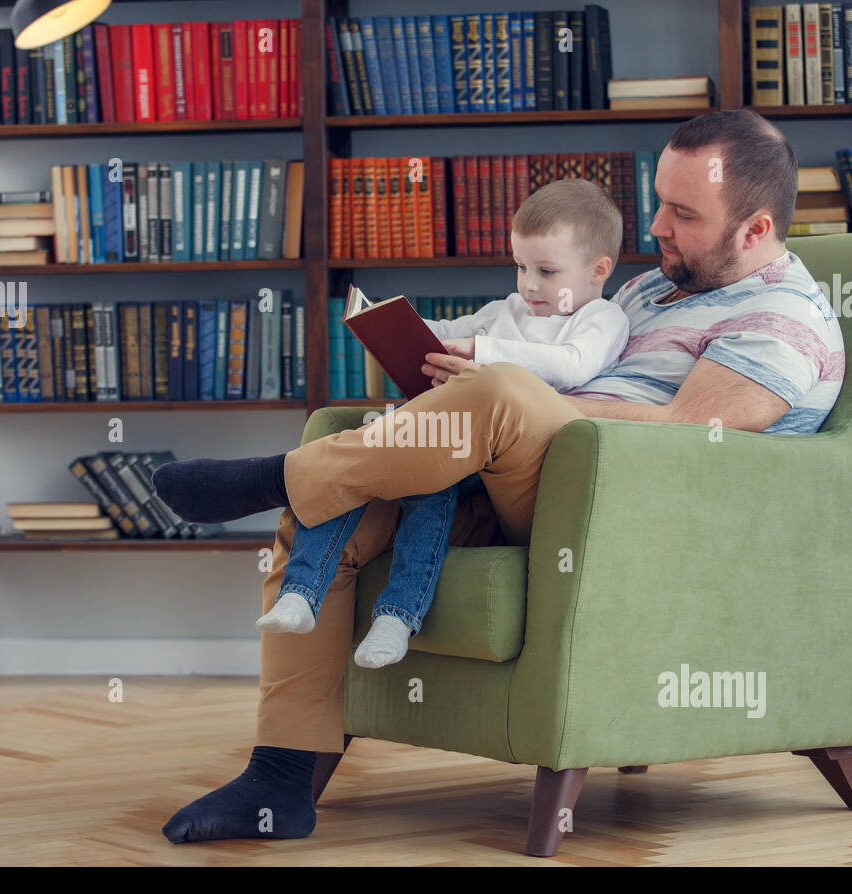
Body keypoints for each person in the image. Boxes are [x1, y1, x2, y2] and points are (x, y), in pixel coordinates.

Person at [150, 109, 845, 844]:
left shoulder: (780, 321)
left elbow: (684, 438)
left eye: (682, 213)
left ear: (757, 231)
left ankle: (270, 477)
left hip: (620, 508)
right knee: (335, 514)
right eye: (658, 203)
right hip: (523, 472)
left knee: (503, 389)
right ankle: (280, 781)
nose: (658, 228)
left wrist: (519, 395)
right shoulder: (659, 288)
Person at [256, 178, 629, 671]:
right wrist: (393, 327)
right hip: (456, 439)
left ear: (597, 270)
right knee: (354, 468)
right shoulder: (506, 311)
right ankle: (301, 593)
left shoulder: (602, 318)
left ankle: (397, 616)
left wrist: (483, 353)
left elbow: (572, 365)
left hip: (515, 459)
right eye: (520, 267)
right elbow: (448, 333)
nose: (529, 285)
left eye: (546, 271)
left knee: (430, 483)